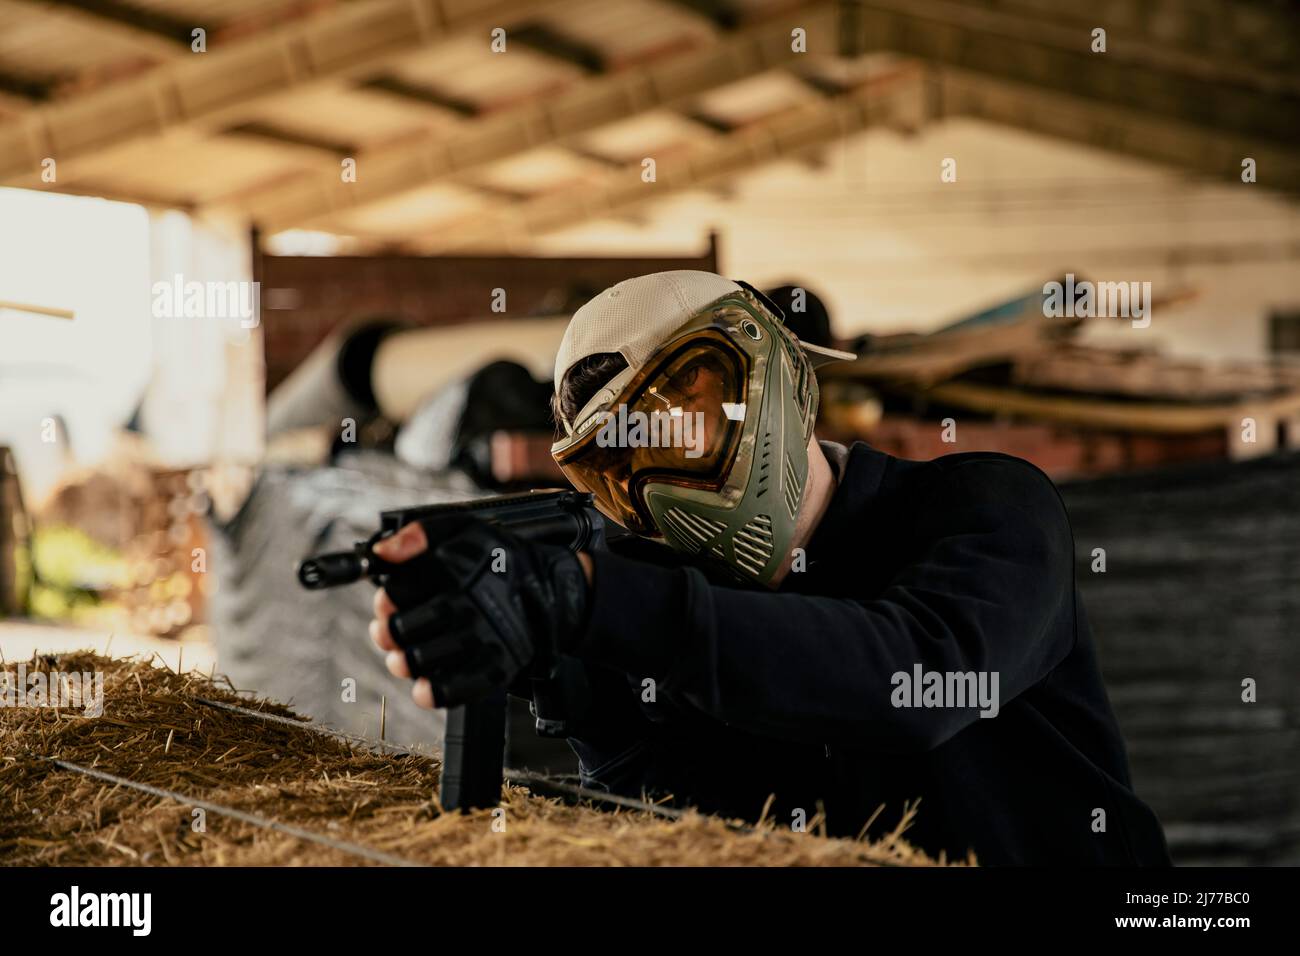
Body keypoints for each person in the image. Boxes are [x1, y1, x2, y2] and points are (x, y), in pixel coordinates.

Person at [367, 271, 1170, 865]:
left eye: (684, 428)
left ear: (778, 371)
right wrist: (578, 698)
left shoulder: (990, 506)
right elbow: (706, 827)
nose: (663, 479)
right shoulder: (694, 608)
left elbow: (909, 683)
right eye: (622, 465)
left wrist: (592, 599)